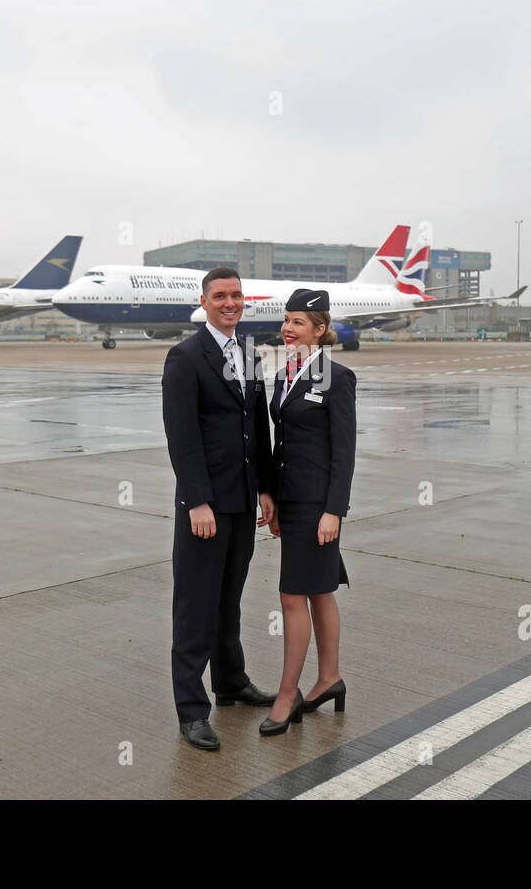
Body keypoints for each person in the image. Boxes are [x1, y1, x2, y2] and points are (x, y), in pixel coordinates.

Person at [161, 266, 278, 751]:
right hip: (206, 506)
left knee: (230, 597)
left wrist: (266, 488)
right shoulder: (185, 357)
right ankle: (191, 711)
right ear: (204, 302)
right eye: (221, 296)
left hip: (242, 500)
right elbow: (182, 436)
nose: (230, 303)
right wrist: (197, 501)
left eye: (237, 295)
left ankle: (230, 681)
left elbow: (258, 425)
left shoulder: (248, 353)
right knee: (195, 606)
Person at [259, 288, 356, 737]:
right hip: (292, 502)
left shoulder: (338, 377)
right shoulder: (285, 376)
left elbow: (344, 453)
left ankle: (287, 694)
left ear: (320, 330)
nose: (287, 328)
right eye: (286, 320)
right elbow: (282, 446)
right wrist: (272, 496)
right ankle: (329, 679)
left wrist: (334, 511)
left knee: (292, 596)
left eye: (298, 322)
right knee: (319, 591)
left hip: (318, 507)